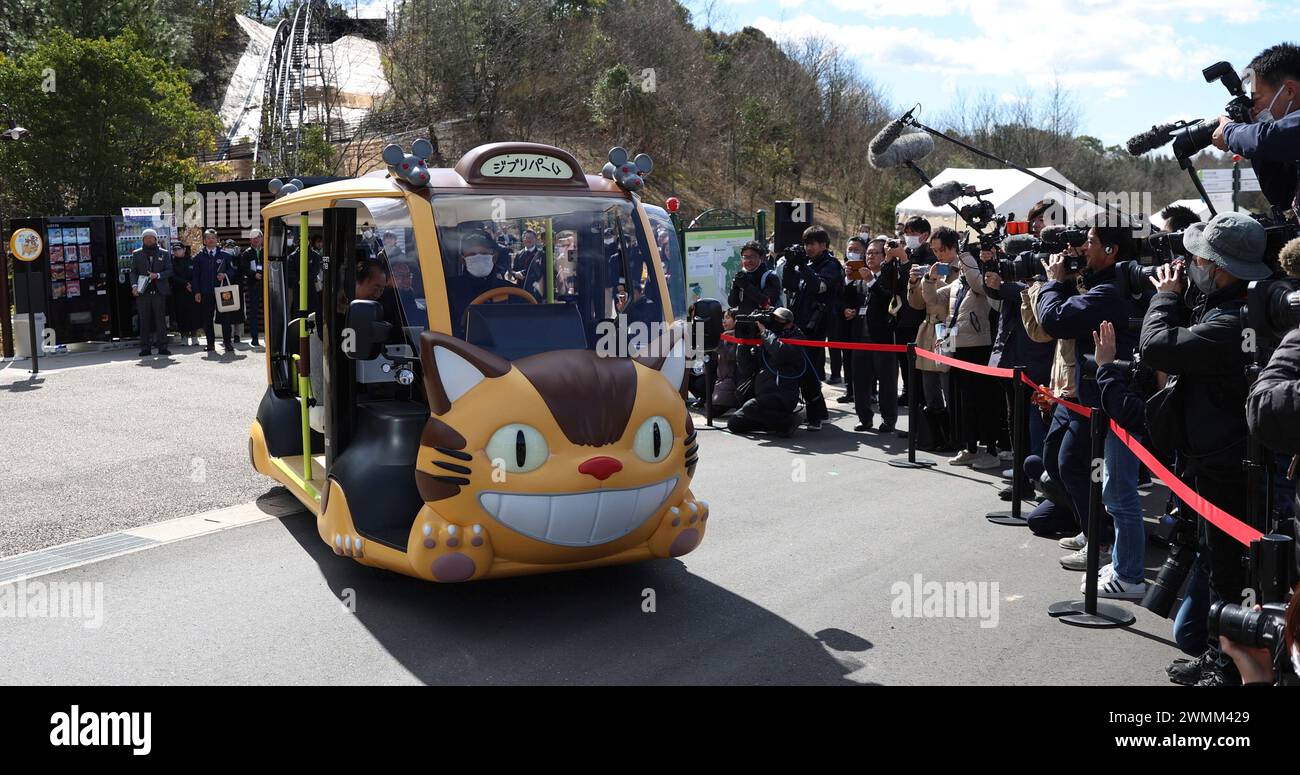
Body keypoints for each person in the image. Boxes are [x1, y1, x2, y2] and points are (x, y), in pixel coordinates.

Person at [1141, 211, 1273, 684]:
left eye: (1199, 260)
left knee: (1228, 571)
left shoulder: (1231, 320)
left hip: (1226, 467)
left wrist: (1164, 296)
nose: (1190, 268)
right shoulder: (1234, 307)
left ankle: (1229, 668)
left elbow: (1159, 346)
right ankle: (1224, 656)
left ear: (1220, 268)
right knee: (1215, 564)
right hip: (1214, 459)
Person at [1036, 217, 1145, 598]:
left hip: (1112, 400)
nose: (1084, 247)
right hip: (1098, 397)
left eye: (1091, 241)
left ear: (1111, 250)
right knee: (1103, 482)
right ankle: (1114, 557)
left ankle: (1128, 573)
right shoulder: (1109, 285)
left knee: (1118, 490)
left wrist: (1054, 281)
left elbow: (1054, 319)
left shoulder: (1109, 293)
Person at [921, 227, 999, 469]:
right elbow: (933, 300)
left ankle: (991, 450)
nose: (938, 256)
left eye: (941, 250)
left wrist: (965, 256)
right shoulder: (956, 284)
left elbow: (979, 286)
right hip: (956, 345)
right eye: (934, 251)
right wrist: (928, 279)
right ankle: (970, 447)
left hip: (977, 346)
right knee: (963, 401)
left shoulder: (979, 277)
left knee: (981, 400)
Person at [781, 226, 843, 431]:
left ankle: (816, 415)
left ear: (824, 245)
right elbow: (790, 285)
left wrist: (803, 267)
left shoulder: (831, 265)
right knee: (803, 369)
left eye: (812, 243)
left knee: (810, 369)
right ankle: (820, 412)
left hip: (817, 324)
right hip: (799, 321)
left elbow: (819, 287)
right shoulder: (806, 263)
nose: (808, 248)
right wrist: (791, 263)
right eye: (806, 243)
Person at [843, 238, 898, 433]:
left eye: (875, 253)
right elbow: (849, 300)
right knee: (860, 381)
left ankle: (888, 420)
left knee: (887, 382)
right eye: (868, 253)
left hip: (882, 338)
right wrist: (848, 308)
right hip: (860, 337)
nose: (871, 256)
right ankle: (864, 418)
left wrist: (871, 281)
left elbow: (889, 299)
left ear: (884, 257)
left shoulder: (889, 275)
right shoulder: (859, 278)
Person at [726, 308, 805, 437]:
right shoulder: (767, 338)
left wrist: (765, 333)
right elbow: (747, 369)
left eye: (779, 319)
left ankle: (787, 422)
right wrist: (744, 344)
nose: (774, 321)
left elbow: (780, 352)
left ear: (789, 322)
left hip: (782, 396)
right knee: (734, 423)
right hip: (763, 394)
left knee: (749, 407)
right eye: (773, 318)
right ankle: (774, 424)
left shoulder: (795, 337)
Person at [892, 216, 934, 402]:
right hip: (900, 315)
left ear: (924, 235)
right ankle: (908, 390)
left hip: (920, 317)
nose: (908, 237)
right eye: (906, 233)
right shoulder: (902, 252)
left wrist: (905, 260)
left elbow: (919, 280)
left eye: (913, 234)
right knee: (903, 359)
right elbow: (892, 282)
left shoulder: (930, 255)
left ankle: (918, 396)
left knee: (918, 362)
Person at [447, 230, 517, 337]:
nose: (478, 257)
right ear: (463, 259)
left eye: (484, 253)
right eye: (472, 254)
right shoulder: (449, 290)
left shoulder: (512, 291)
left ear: (494, 257)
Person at [129, 228, 173, 356]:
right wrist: (134, 286)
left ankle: (163, 346)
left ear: (155, 239)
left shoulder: (164, 253)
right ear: (142, 240)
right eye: (146, 238)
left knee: (160, 320)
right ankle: (145, 347)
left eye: (151, 237)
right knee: (144, 320)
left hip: (159, 291)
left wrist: (158, 275)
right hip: (143, 291)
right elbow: (133, 272)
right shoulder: (137, 254)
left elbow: (170, 270)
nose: (148, 240)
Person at [191, 230, 223, 353]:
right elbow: (195, 276)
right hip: (205, 292)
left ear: (217, 240)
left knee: (225, 317)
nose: (211, 240)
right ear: (204, 241)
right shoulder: (198, 257)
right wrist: (197, 291)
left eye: (213, 238)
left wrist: (225, 275)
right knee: (207, 318)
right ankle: (210, 344)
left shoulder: (224, 255)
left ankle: (227, 342)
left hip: (221, 291)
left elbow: (232, 271)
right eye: (208, 238)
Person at [167, 240, 203, 346]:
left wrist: (191, 284)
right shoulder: (171, 263)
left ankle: (194, 336)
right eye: (175, 250)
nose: (177, 251)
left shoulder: (192, 260)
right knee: (181, 314)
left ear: (184, 250)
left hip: (192, 291)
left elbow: (197, 274)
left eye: (179, 249)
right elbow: (172, 276)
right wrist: (185, 284)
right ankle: (184, 336)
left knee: (194, 314)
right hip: (179, 292)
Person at [240, 230, 265, 348]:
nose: (256, 239)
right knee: (254, 312)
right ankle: (254, 338)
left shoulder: (266, 251)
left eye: (258, 237)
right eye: (253, 238)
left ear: (262, 238)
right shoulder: (247, 253)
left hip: (266, 285)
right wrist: (253, 274)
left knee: (268, 311)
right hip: (253, 285)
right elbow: (243, 268)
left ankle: (269, 337)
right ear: (250, 240)